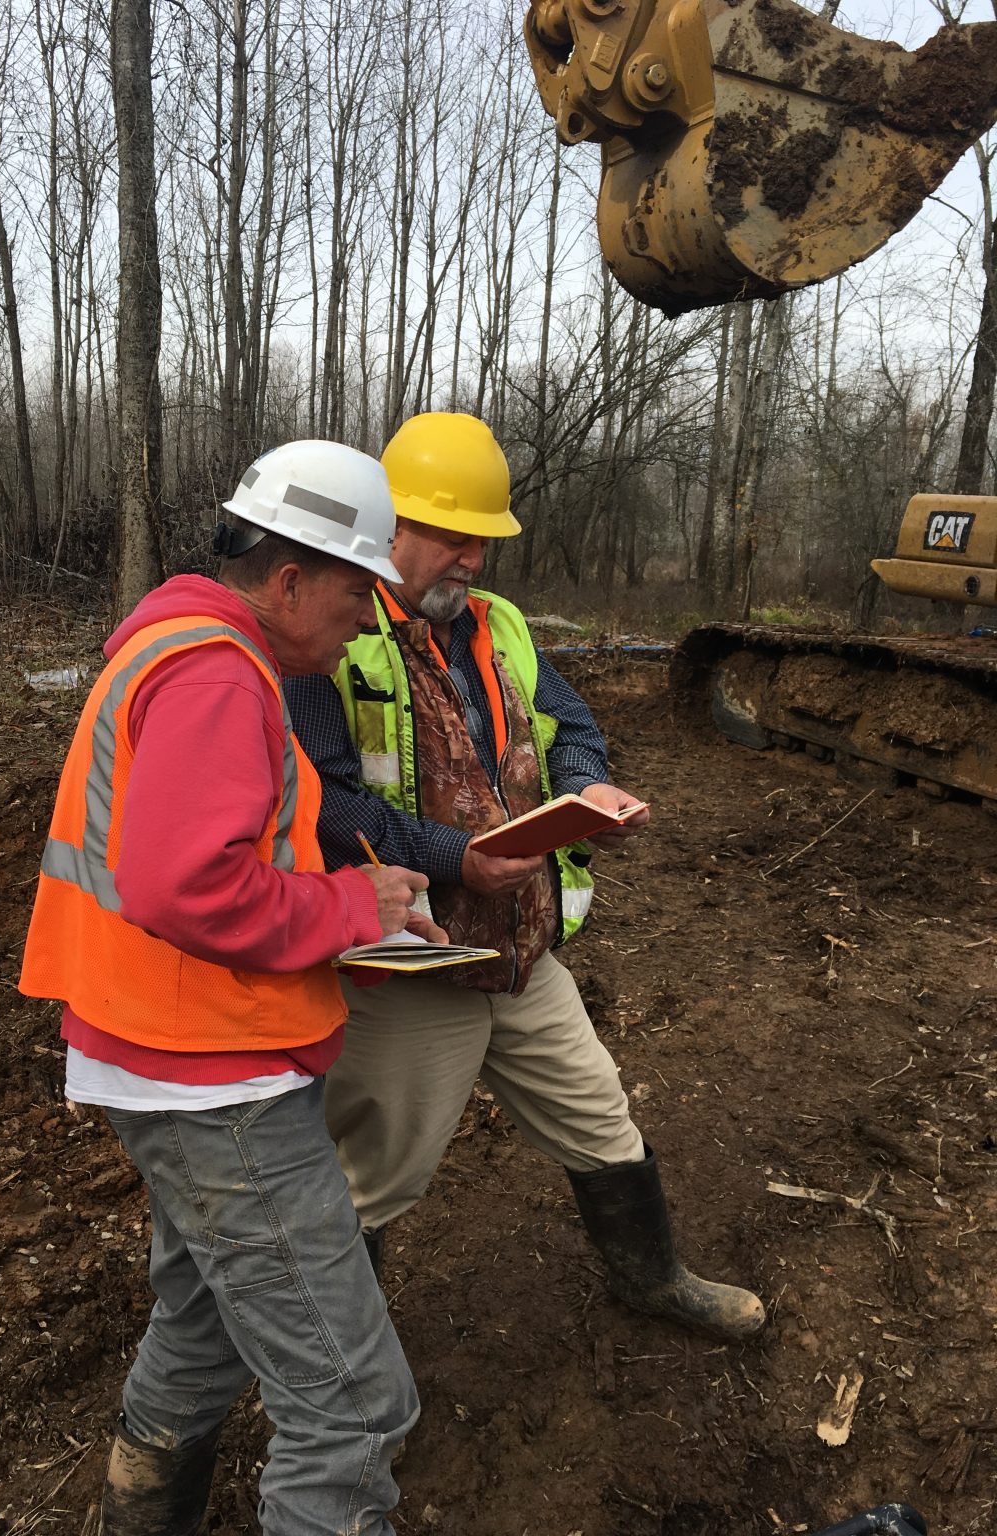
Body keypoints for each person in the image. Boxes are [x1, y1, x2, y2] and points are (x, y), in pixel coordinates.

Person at [19, 441, 442, 1536]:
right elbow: (186, 881)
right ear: (290, 578)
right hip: (215, 1082)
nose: (369, 620)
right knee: (353, 1408)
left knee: (203, 1331)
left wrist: (370, 887)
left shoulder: (189, 652)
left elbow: (246, 845)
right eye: (359, 591)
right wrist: (355, 917)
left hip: (159, 1053)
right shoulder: (216, 671)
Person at [284, 413, 765, 1342]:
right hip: (412, 958)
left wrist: (586, 785)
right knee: (376, 1179)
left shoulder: (498, 628)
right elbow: (326, 804)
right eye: (450, 537)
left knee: (600, 1117)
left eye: (482, 541)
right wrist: (450, 858)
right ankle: (336, 1371)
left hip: (520, 944)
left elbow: (571, 724)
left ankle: (652, 1276)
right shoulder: (332, 636)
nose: (470, 560)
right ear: (390, 530)